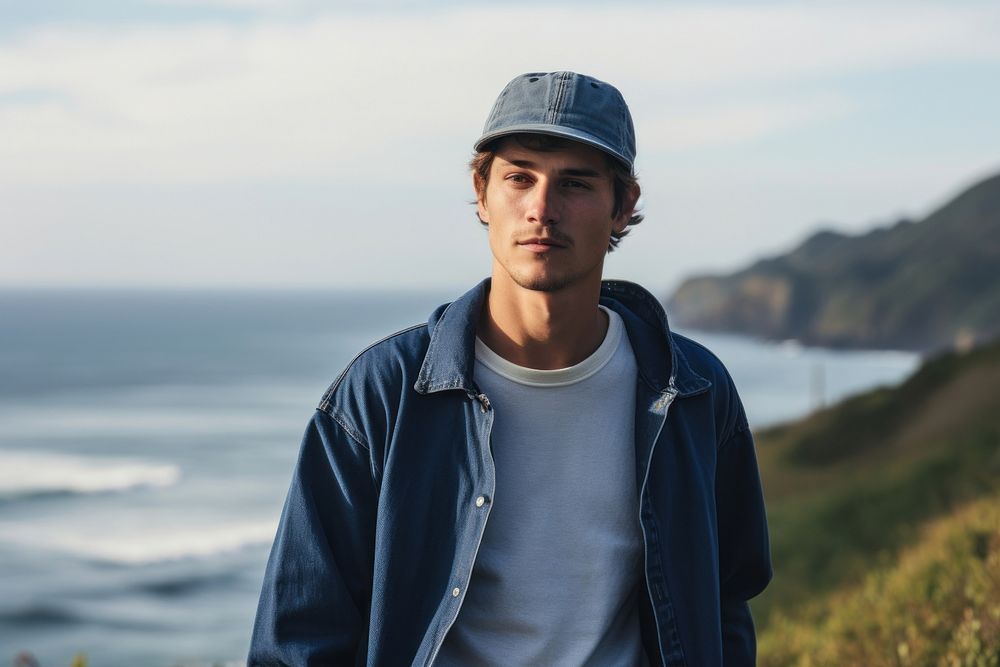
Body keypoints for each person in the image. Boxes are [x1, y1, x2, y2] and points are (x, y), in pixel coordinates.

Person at [249, 71, 771, 666]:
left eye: (575, 184)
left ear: (623, 205)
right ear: (482, 190)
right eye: (519, 178)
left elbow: (728, 599)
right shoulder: (380, 395)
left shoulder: (694, 392)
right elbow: (298, 639)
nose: (541, 209)